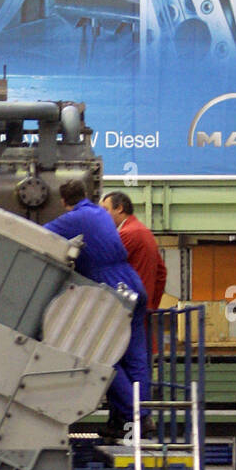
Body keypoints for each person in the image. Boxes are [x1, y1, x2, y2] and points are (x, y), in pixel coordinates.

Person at [45, 180, 153, 440]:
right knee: (135, 358)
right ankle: (144, 415)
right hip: (132, 283)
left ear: (63, 201)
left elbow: (39, 235)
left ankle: (133, 415)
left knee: (103, 357)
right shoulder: (99, 214)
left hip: (110, 290)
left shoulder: (74, 218)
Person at [101, 191, 168, 360]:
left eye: (105, 210)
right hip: (141, 312)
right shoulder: (144, 232)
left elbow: (103, 265)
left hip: (128, 315)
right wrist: (151, 304)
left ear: (120, 209)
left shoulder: (127, 234)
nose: (102, 215)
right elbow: (161, 273)